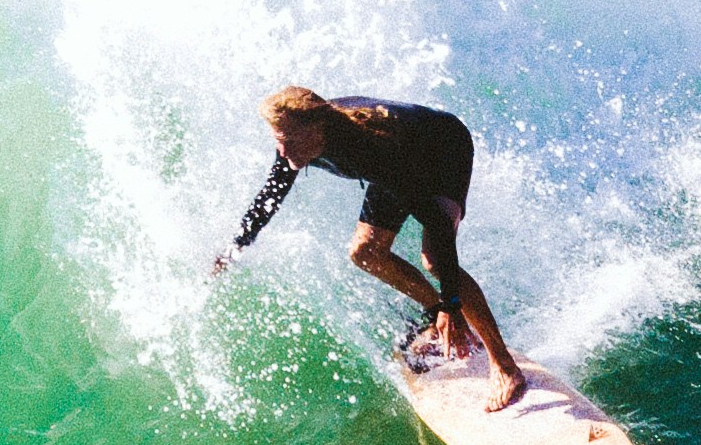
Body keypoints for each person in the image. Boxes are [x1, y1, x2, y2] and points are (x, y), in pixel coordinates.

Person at [222, 86, 528, 411]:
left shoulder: (370, 149)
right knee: (365, 252)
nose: (282, 151)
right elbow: (270, 196)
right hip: (403, 155)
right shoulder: (294, 142)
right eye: (277, 139)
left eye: (288, 140)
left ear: (316, 130)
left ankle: (505, 367)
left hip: (443, 150)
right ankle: (434, 318)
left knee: (435, 259)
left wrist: (452, 303)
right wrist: (234, 249)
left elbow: (438, 224)